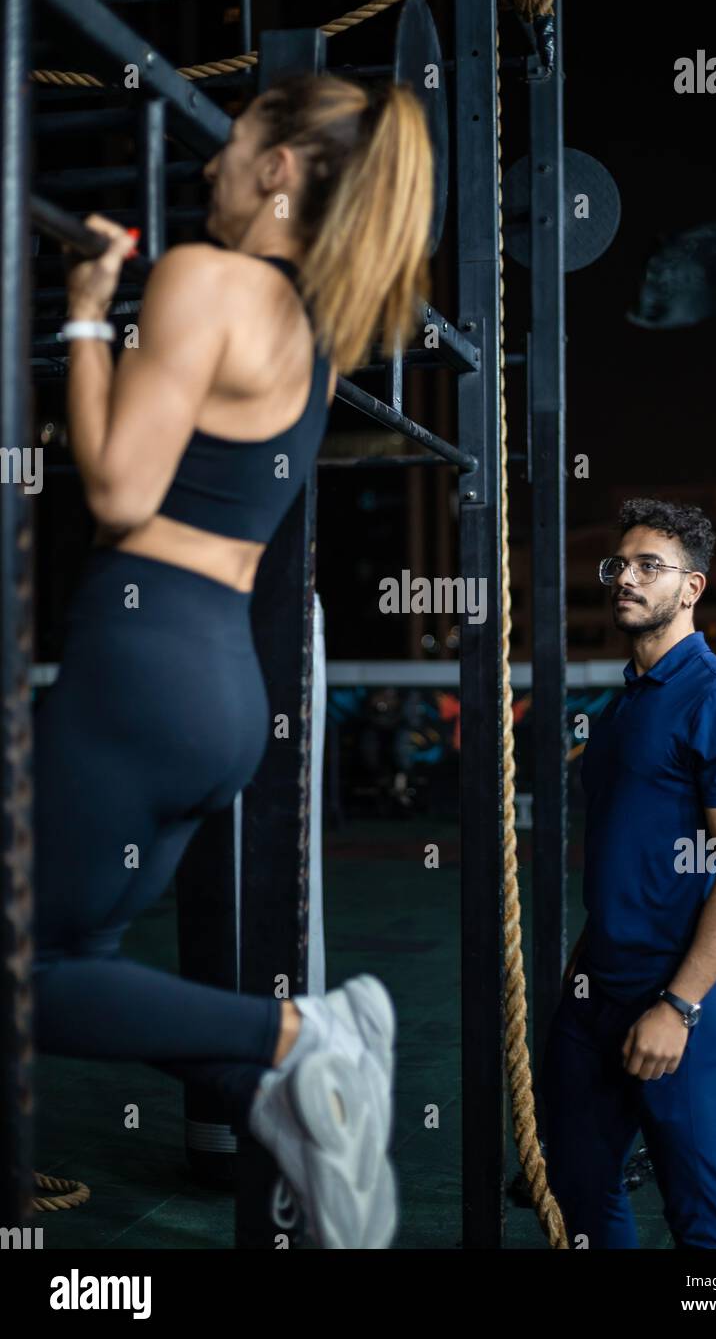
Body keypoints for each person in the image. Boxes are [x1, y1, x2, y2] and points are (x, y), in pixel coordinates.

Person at [33, 72, 434, 1250]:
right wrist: (105, 315)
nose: (204, 167)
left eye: (227, 143)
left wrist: (90, 314)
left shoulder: (206, 277)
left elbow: (114, 484)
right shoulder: (309, 327)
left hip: (140, 668)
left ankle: (304, 1041)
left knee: (29, 968)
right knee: (72, 957)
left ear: (275, 168)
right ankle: (292, 1077)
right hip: (217, 687)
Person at [541, 498, 716, 1249]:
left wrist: (678, 1006)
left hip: (686, 999)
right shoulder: (617, 715)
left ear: (693, 588)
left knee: (702, 1221)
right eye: (620, 564)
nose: (626, 578)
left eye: (651, 566)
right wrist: (586, 964)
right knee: (577, 1188)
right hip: (597, 993)